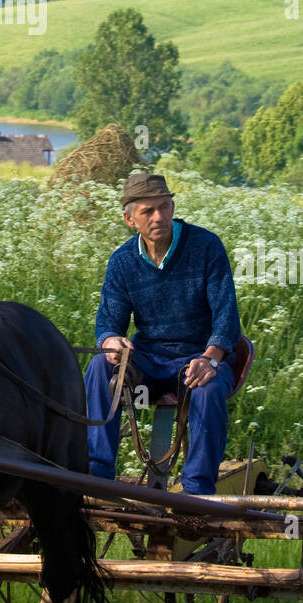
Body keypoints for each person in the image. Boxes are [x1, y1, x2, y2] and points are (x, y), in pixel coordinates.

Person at [84, 172, 241, 495]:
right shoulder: (122, 261)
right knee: (100, 365)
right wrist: (112, 342)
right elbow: (108, 324)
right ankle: (96, 474)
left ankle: (197, 492)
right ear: (130, 219)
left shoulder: (206, 247)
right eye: (148, 211)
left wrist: (209, 360)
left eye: (164, 207)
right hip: (150, 360)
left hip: (199, 357)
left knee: (208, 389)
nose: (159, 217)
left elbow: (226, 320)